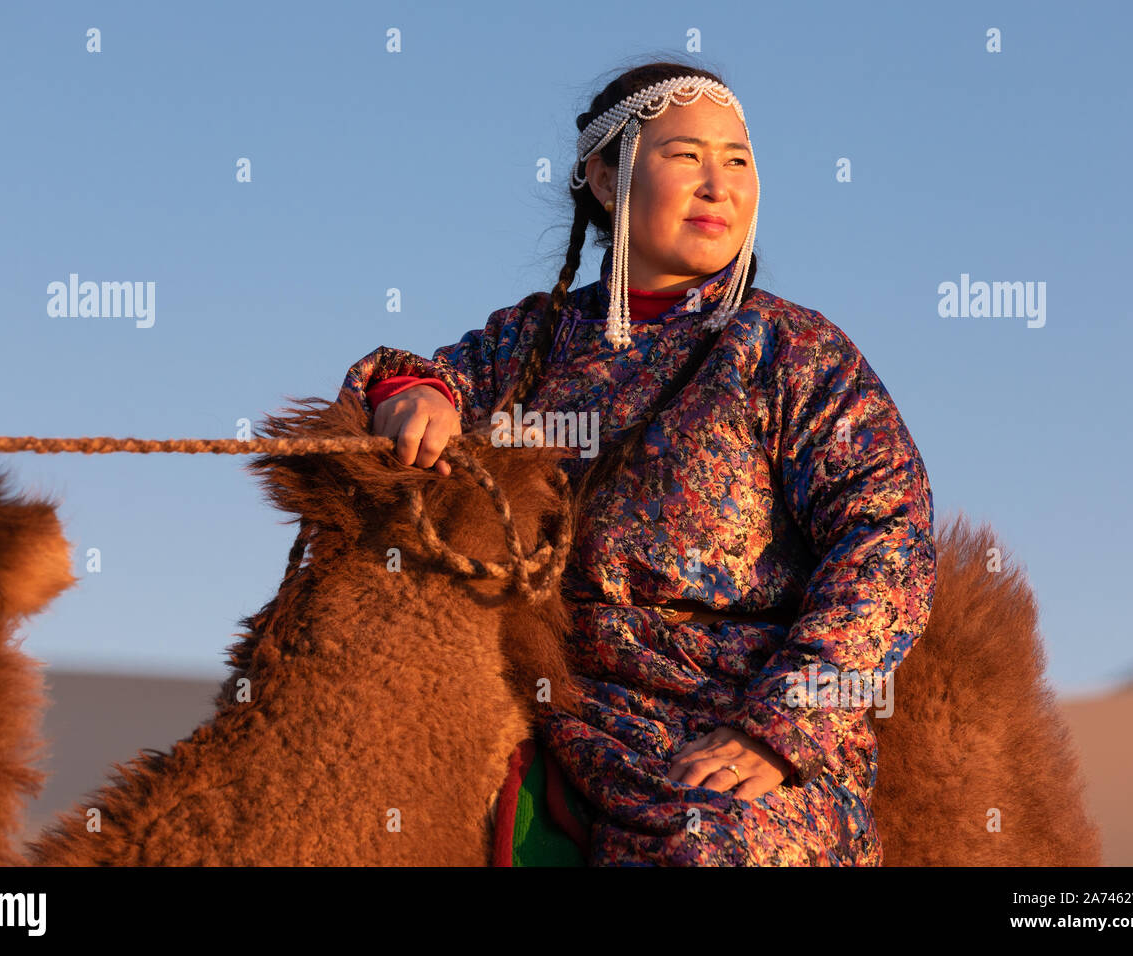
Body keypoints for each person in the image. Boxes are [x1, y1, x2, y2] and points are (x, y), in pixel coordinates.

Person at [340, 61, 936, 866]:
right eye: (686, 156)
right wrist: (414, 397)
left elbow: (888, 539)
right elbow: (421, 375)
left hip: (732, 714)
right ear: (604, 180)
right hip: (555, 693)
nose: (718, 184)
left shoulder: (792, 350)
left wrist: (780, 729)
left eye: (738, 159)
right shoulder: (532, 341)